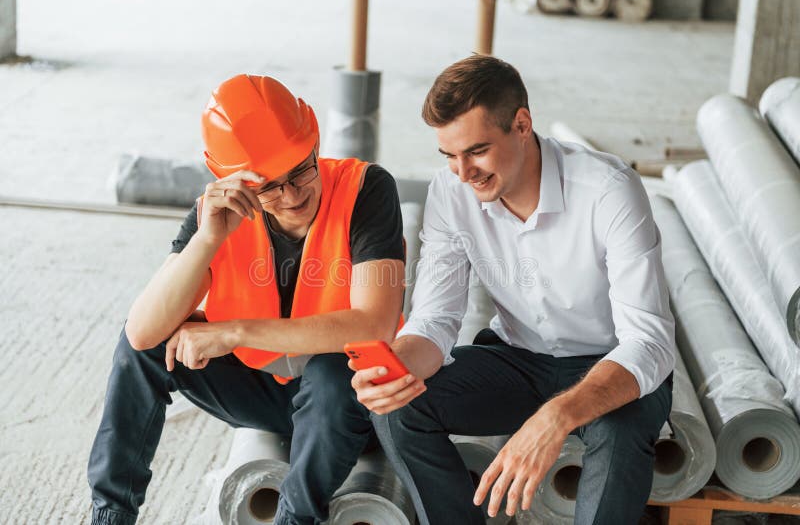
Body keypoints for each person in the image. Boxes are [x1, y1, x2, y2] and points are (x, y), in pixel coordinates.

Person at [350, 55, 675, 525]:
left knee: (620, 434)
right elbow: (436, 320)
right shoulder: (451, 190)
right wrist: (396, 368)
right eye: (449, 155)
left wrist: (556, 416)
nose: (463, 172)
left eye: (477, 150)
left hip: (613, 363)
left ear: (522, 124)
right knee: (399, 406)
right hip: (519, 358)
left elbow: (648, 341)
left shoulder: (608, 189)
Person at [87, 74, 405, 525]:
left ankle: (296, 520)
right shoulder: (213, 214)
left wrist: (234, 332)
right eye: (268, 186)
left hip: (354, 402)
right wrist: (208, 238)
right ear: (230, 180)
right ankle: (111, 515)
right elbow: (141, 332)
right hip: (266, 395)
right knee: (147, 347)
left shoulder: (365, 189)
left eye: (301, 171)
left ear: (314, 143)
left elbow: (374, 324)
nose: (292, 195)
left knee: (337, 369)